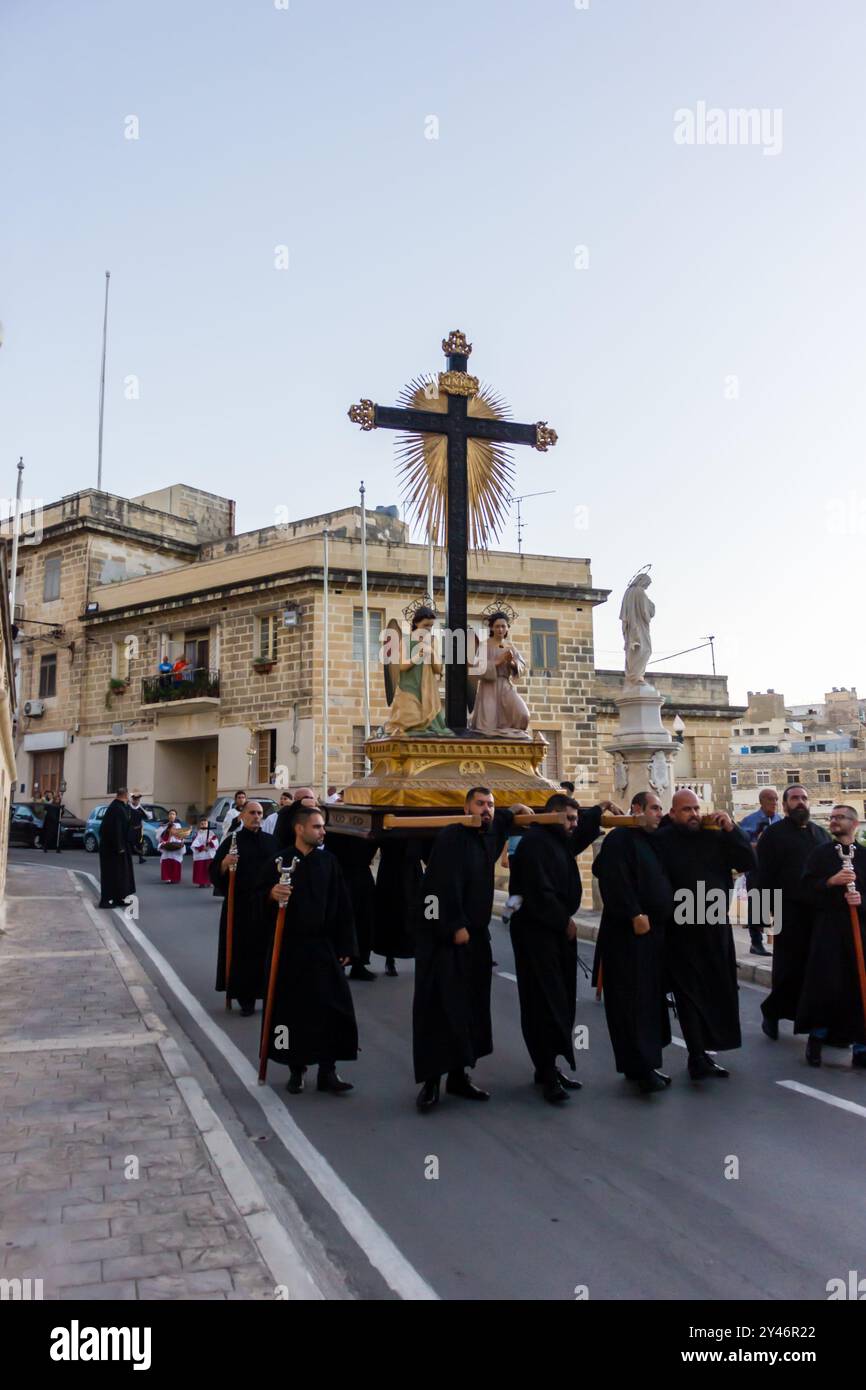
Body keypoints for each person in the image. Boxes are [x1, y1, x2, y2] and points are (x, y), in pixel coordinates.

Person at [412, 787, 531, 1111]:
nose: (487, 809)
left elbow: (507, 816)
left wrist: (515, 806)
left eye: (490, 804)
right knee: (441, 1010)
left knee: (470, 1009)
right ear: (466, 807)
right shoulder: (452, 837)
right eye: (480, 804)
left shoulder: (489, 835)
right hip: (447, 940)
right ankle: (432, 1082)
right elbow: (436, 888)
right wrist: (453, 927)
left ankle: (459, 1076)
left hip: (476, 939)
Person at [509, 793, 614, 1103]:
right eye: (568, 818)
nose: (573, 825)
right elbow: (538, 891)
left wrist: (600, 809)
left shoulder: (557, 839)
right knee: (544, 1002)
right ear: (552, 816)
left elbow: (579, 836)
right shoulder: (534, 843)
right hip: (537, 934)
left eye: (575, 819)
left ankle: (550, 1066)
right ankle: (546, 1070)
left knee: (562, 999)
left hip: (554, 935)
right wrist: (563, 921)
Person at [652, 790, 755, 1081]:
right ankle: (696, 1054)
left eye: (696, 808)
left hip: (713, 925)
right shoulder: (663, 841)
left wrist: (732, 830)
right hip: (681, 927)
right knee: (688, 993)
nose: (693, 814)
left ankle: (707, 1050)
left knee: (717, 990)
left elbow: (748, 862)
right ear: (673, 814)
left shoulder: (715, 835)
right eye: (686, 810)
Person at [259, 803, 358, 1094]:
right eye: (316, 826)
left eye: (322, 826)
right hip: (289, 949)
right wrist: (270, 894)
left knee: (333, 1009)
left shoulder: (329, 863)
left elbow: (343, 906)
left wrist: (346, 945)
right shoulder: (279, 861)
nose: (322, 831)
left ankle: (328, 1071)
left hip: (323, 947)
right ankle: (296, 1070)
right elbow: (256, 898)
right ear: (299, 829)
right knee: (292, 1013)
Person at [592, 791, 674, 1093]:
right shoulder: (620, 839)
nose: (659, 814)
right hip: (630, 933)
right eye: (654, 808)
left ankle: (642, 1066)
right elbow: (615, 879)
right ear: (636, 809)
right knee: (633, 1002)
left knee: (649, 1001)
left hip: (653, 934)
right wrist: (634, 912)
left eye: (661, 809)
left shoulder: (652, 839)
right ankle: (640, 1067)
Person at [756, 784, 831, 1039]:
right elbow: (763, 874)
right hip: (788, 911)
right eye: (795, 798)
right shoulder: (773, 835)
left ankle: (818, 1026)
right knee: (789, 969)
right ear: (786, 805)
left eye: (804, 798)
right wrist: (762, 914)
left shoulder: (821, 834)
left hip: (818, 912)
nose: (801, 802)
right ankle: (772, 1012)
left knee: (817, 970)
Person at [796, 804, 866, 1068]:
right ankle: (816, 1040)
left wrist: (861, 899)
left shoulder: (865, 856)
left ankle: (861, 1047)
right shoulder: (821, 855)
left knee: (860, 991)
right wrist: (829, 882)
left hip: (860, 932)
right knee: (826, 987)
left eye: (840, 817)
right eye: (832, 817)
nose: (834, 821)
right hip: (829, 933)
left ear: (854, 824)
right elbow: (804, 889)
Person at [211, 800, 275, 1016]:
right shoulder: (232, 841)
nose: (257, 816)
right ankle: (244, 998)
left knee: (265, 951)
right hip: (240, 906)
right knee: (242, 953)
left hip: (266, 905)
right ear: (242, 816)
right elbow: (215, 872)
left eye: (259, 813)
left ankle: (266, 995)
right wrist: (224, 864)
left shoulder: (271, 842)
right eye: (252, 813)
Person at [384, 605, 453, 736]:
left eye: (431, 626)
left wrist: (431, 652)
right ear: (416, 623)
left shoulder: (433, 640)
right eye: (425, 625)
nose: (428, 629)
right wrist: (419, 655)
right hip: (409, 687)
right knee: (409, 721)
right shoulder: (406, 641)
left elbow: (438, 669)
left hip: (428, 689)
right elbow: (402, 666)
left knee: (434, 727)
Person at [468, 611, 530, 739]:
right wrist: (499, 661)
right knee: (488, 725)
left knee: (523, 714)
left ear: (507, 628)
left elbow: (522, 668)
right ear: (491, 627)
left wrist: (512, 663)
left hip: (505, 685)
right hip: (489, 688)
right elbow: (478, 668)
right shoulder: (485, 645)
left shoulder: (510, 646)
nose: (500, 629)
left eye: (503, 626)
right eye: (497, 626)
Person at [738, 788, 782, 956]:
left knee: (777, 905)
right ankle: (756, 942)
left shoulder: (779, 820)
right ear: (762, 801)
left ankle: (780, 940)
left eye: (776, 799)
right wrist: (760, 844)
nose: (774, 803)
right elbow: (742, 845)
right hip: (757, 870)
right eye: (770, 799)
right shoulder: (750, 820)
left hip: (776, 871)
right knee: (757, 906)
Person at [97, 788, 135, 909]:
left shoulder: (121, 807)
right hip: (112, 849)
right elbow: (116, 829)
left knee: (121, 874)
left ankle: (120, 897)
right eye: (128, 795)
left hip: (119, 846)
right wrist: (120, 847)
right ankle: (106, 900)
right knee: (110, 874)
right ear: (125, 795)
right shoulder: (116, 808)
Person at [158, 810, 186, 883]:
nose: (171, 815)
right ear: (168, 816)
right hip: (167, 844)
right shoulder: (164, 825)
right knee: (166, 860)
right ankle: (167, 878)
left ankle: (175, 878)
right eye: (170, 814)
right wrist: (167, 830)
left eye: (173, 814)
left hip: (176, 844)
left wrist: (180, 838)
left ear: (175, 816)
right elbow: (160, 836)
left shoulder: (178, 826)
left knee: (176, 861)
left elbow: (182, 836)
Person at [190, 818, 219, 887]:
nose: (204, 825)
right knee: (201, 869)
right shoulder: (197, 834)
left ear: (207, 824)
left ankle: (209, 882)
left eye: (205, 824)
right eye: (202, 824)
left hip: (209, 853)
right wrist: (202, 847)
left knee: (209, 868)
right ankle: (201, 882)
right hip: (200, 854)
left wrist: (209, 844)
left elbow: (215, 842)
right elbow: (194, 844)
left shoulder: (211, 833)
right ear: (200, 825)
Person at [128, 790, 152, 865]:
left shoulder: (140, 809)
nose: (137, 801)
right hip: (131, 828)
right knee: (130, 843)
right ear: (133, 800)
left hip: (139, 829)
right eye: (135, 800)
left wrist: (144, 810)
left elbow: (148, 817)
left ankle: (140, 858)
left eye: (138, 800)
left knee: (140, 843)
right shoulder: (129, 808)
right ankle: (129, 857)